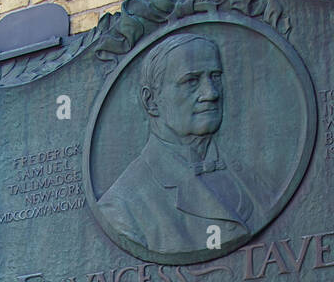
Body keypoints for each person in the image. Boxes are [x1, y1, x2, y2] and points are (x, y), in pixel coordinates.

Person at [97, 33, 259, 257]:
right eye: (191, 81)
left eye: (215, 77)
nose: (211, 93)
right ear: (151, 101)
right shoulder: (122, 208)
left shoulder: (250, 176)